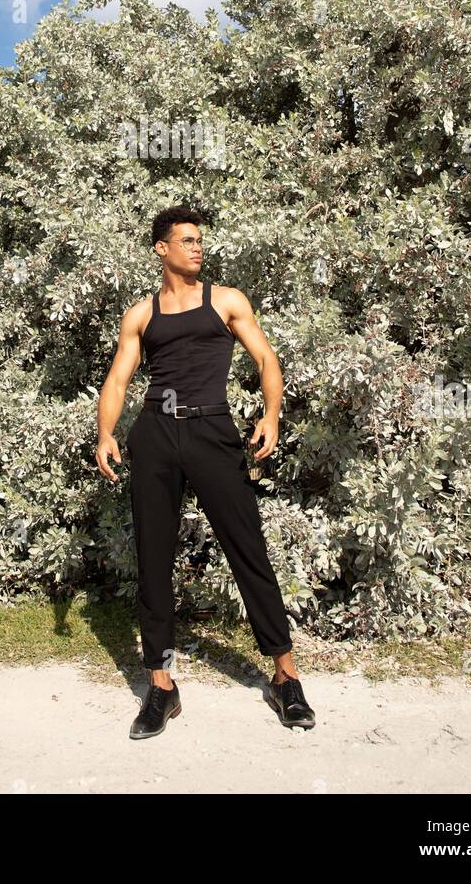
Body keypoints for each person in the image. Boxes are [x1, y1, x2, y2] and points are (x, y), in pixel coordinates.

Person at [95, 203, 315, 738]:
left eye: (200, 240)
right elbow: (119, 380)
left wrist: (270, 413)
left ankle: (285, 676)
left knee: (247, 549)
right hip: (155, 434)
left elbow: (266, 359)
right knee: (154, 558)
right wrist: (105, 433)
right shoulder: (141, 315)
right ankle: (161, 687)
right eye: (186, 240)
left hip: (212, 431)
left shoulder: (228, 301)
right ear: (161, 249)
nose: (197, 247)